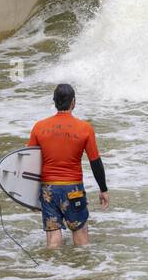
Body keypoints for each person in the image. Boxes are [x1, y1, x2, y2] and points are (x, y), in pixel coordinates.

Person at [27, 84, 109, 249]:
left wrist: (30, 196)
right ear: (73, 102)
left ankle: (53, 272)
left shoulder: (39, 127)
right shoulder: (85, 128)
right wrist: (103, 189)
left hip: (48, 190)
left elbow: (30, 162)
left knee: (53, 240)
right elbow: (95, 161)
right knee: (81, 239)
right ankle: (81, 273)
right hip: (73, 190)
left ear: (54, 102)